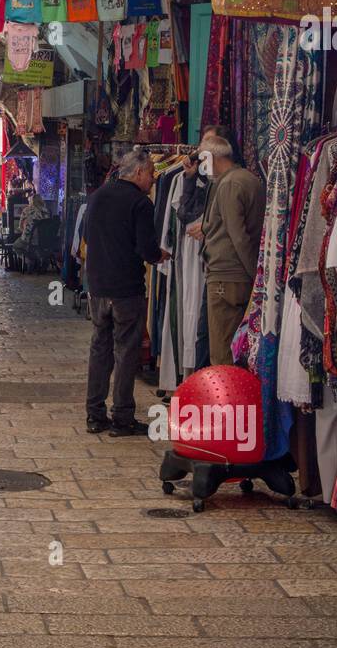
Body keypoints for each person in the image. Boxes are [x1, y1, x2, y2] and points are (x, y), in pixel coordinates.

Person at [83, 147, 169, 435]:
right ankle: (122, 417)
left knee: (100, 348)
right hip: (126, 288)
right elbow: (146, 249)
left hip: (97, 286)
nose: (154, 180)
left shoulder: (97, 197)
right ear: (140, 172)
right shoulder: (140, 203)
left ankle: (94, 415)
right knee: (126, 350)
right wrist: (160, 256)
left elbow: (86, 235)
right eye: (152, 175)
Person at [196, 131, 266, 365]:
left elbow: (238, 236)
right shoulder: (249, 179)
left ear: (213, 158)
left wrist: (254, 274)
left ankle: (226, 401)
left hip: (227, 276)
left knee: (223, 349)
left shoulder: (229, 184)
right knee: (239, 346)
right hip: (237, 275)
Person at [177, 124, 239, 369]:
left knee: (215, 335)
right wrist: (190, 179)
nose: (202, 151)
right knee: (205, 331)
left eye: (208, 146)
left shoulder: (230, 182)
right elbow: (184, 214)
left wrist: (207, 227)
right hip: (206, 263)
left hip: (224, 268)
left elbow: (234, 228)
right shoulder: (207, 180)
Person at [11, 194, 51, 270]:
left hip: (28, 239)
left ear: (31, 201)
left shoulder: (26, 210)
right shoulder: (47, 211)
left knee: (16, 246)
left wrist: (25, 229)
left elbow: (20, 226)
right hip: (44, 240)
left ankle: (28, 260)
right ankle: (38, 258)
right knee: (35, 247)